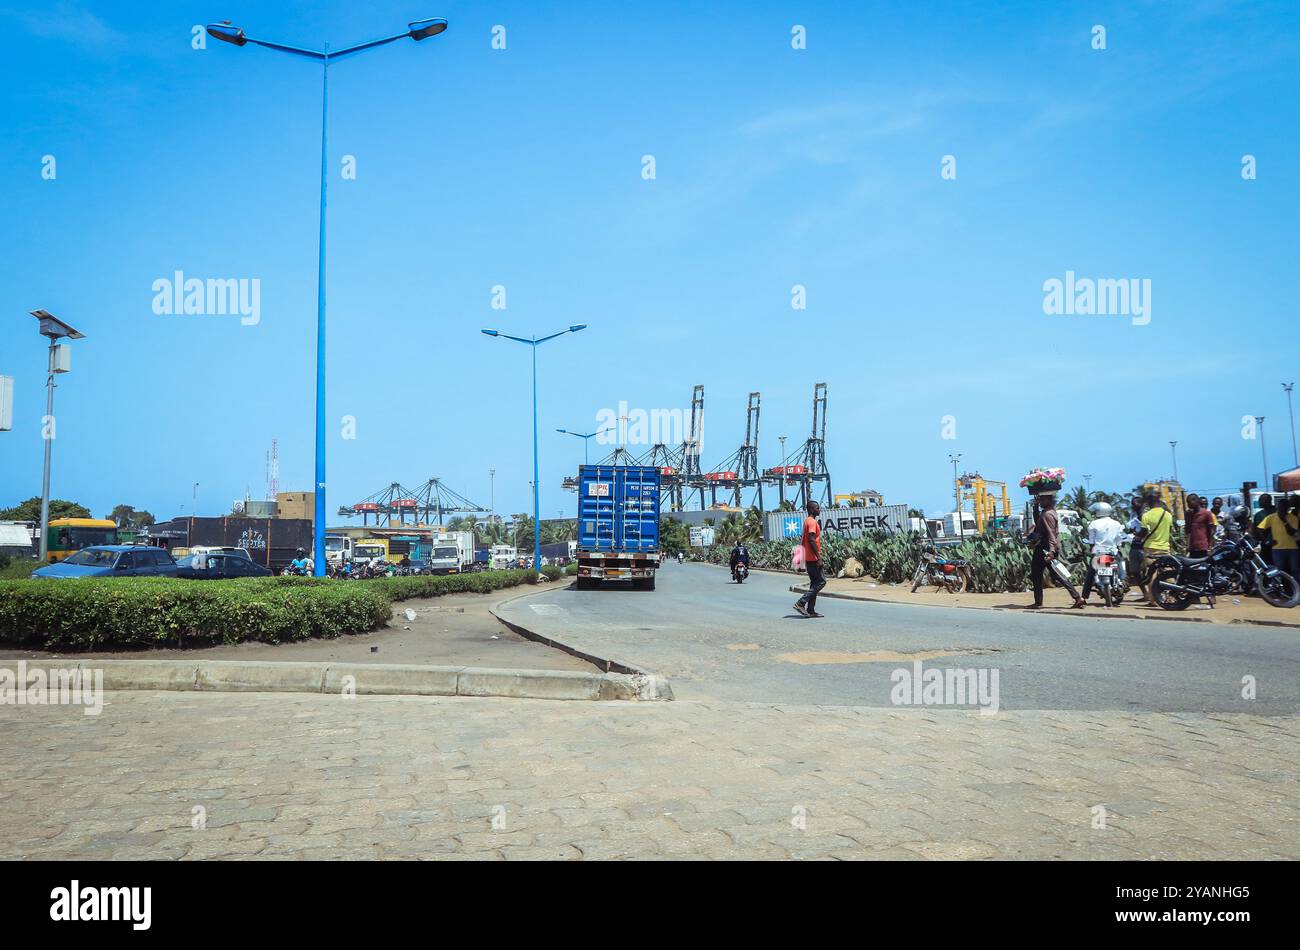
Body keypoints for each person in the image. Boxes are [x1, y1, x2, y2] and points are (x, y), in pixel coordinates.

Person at [1027, 494, 1083, 608]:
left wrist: (1051, 552)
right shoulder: (1049, 511)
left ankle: (1039, 602)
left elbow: (1051, 534)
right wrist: (1035, 506)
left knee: (1039, 574)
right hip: (1046, 547)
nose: (1041, 501)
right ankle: (1077, 597)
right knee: (1055, 573)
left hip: (1045, 548)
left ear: (1048, 500)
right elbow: (1038, 521)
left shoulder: (1047, 514)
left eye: (1042, 499)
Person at [1075, 501, 1126, 607]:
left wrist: (1092, 548)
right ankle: (1122, 582)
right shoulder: (1116, 524)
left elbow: (1092, 542)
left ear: (1099, 511)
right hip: (1113, 553)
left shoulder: (1094, 524)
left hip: (1099, 553)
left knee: (1090, 575)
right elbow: (1119, 541)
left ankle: (1084, 597)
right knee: (1122, 570)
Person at [1135, 493, 1172, 606]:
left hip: (1151, 549)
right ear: (1159, 501)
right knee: (1169, 573)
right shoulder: (1168, 515)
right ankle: (1172, 596)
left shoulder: (1147, 515)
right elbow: (1169, 529)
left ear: (1148, 503)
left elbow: (1144, 532)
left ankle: (1153, 600)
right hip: (1165, 548)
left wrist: (1137, 536)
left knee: (1152, 574)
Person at [793, 501, 825, 617]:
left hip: (808, 557)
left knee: (814, 583)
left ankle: (811, 610)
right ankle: (800, 603)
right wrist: (819, 557)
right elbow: (812, 539)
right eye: (817, 508)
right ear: (812, 509)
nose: (819, 509)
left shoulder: (807, 521)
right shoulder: (811, 522)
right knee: (821, 581)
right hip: (813, 558)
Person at [1259, 496, 1300, 580]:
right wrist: (1267, 540)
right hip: (1277, 548)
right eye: (1281, 507)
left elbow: (1292, 532)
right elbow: (1260, 529)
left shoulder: (1293, 518)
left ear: (1288, 508)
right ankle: (1281, 590)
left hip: (1293, 548)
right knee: (1279, 571)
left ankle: (1297, 589)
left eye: (1285, 507)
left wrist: (1284, 521)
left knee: (1295, 570)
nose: (1282, 509)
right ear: (1278, 507)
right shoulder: (1271, 517)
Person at [1185, 494, 1215, 558]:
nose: (1188, 504)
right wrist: (1187, 546)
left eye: (1190, 502)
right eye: (1187, 502)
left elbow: (1211, 532)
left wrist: (1210, 547)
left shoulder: (1207, 514)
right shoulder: (1188, 514)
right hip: (1192, 549)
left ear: (1197, 501)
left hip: (1203, 548)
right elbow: (1188, 531)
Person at [1253, 494, 1276, 566]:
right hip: (1271, 544)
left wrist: (1264, 540)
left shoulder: (1259, 515)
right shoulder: (1279, 511)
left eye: (1261, 500)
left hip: (1268, 544)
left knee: (1267, 565)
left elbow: (1257, 531)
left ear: (1266, 501)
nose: (1259, 502)